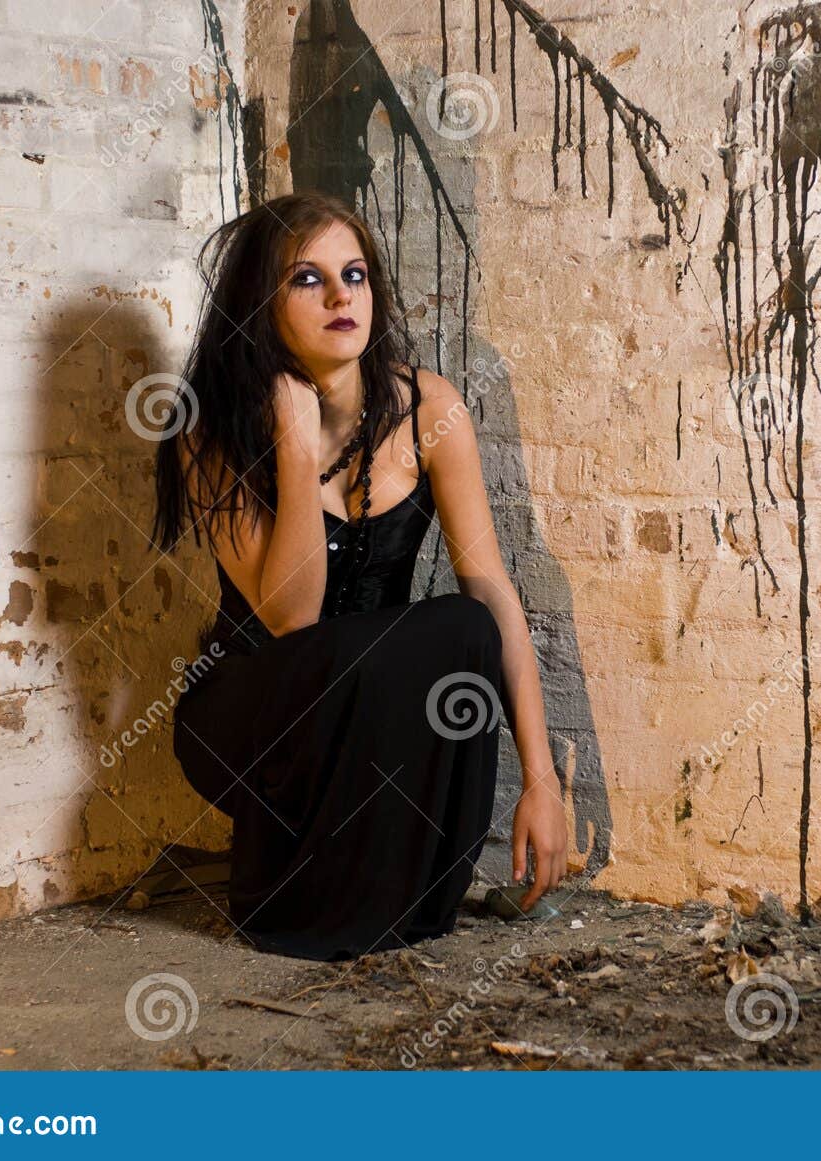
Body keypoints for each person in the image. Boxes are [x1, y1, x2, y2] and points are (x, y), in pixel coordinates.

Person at [151, 191, 567, 960]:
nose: (342, 295)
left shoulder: (429, 411)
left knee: (464, 625)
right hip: (258, 711)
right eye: (307, 280)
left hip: (374, 717)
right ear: (261, 303)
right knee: (363, 650)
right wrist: (295, 444)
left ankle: (383, 886)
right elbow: (291, 621)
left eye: (355, 273)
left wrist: (541, 779)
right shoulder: (212, 428)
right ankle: (309, 888)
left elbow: (495, 595)